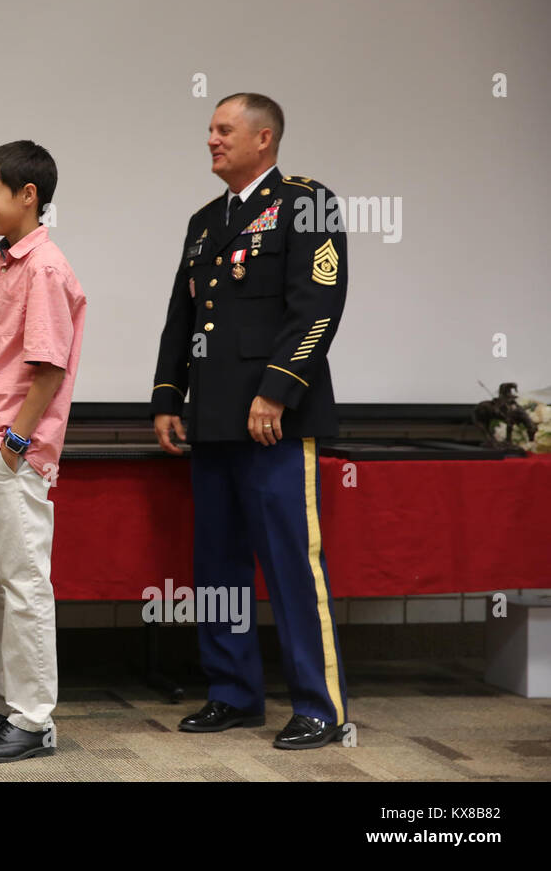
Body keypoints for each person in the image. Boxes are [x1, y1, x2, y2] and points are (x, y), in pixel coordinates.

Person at [151, 92, 349, 750]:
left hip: (276, 423)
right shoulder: (205, 220)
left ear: (264, 138)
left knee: (293, 563)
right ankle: (232, 693)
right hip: (211, 421)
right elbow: (184, 319)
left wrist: (276, 392)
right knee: (219, 566)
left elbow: (318, 305)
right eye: (209, 129)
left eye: (224, 129)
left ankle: (319, 707)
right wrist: (165, 397)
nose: (212, 139)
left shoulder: (306, 202)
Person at [0, 141, 87, 763]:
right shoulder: (0, 260)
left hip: (15, 450)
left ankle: (34, 718)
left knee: (26, 581)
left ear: (29, 197)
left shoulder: (45, 267)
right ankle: (2, 699)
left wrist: (17, 441)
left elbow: (49, 368)